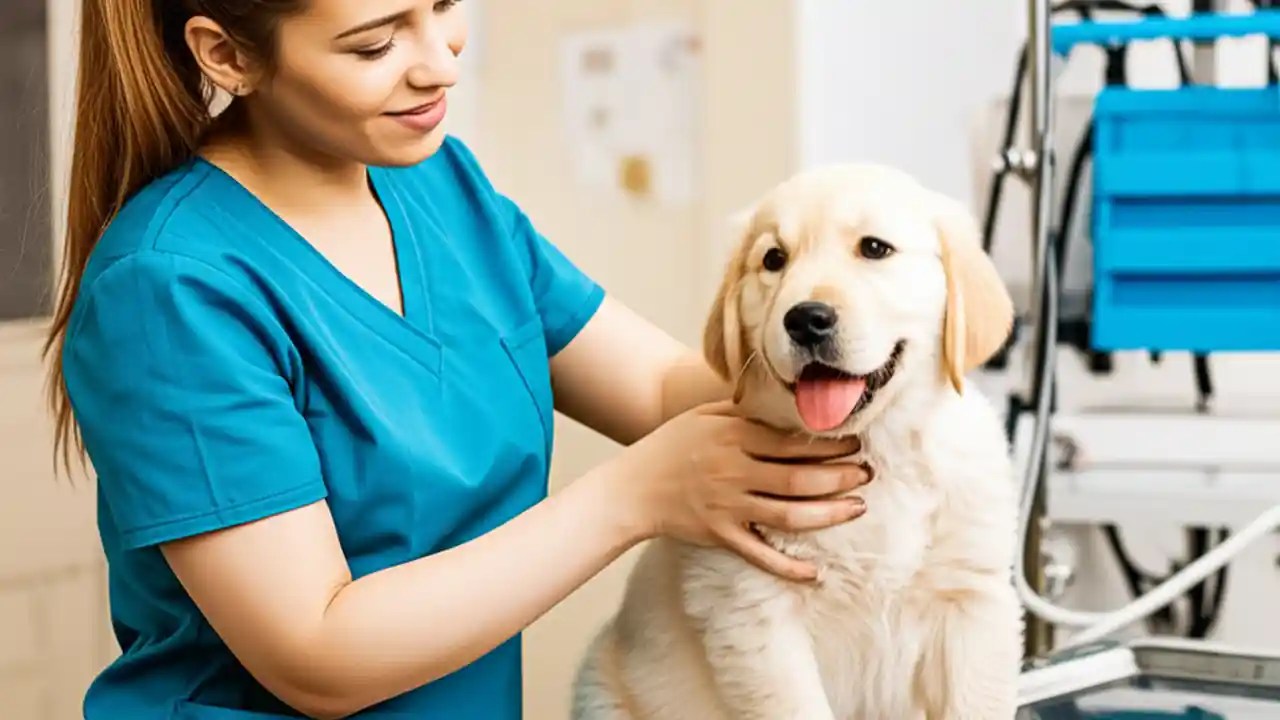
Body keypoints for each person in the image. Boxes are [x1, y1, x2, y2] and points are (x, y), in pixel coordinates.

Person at [46, 1, 872, 718]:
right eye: (375, 44)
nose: (439, 62)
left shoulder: (441, 187)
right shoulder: (170, 286)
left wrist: (841, 338)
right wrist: (634, 497)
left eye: (442, 3)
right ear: (228, 54)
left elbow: (663, 390)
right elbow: (317, 656)